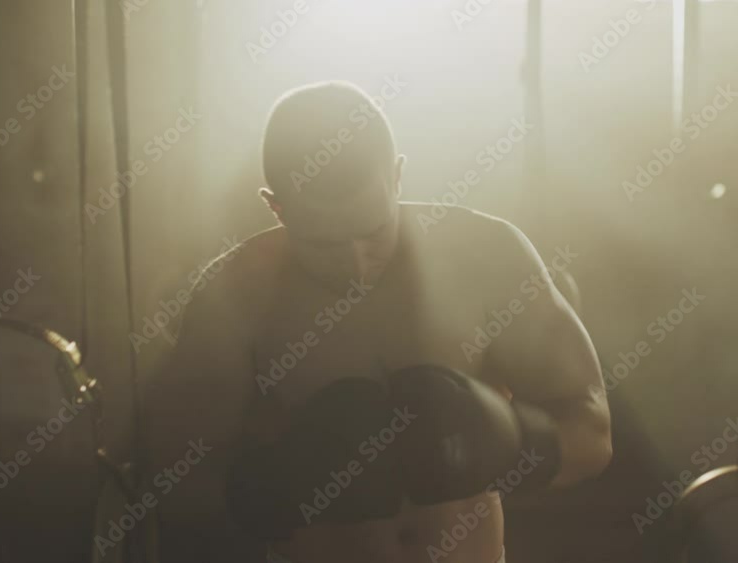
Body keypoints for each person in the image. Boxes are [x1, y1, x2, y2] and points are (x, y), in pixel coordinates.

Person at [146, 81, 611, 563]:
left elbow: (595, 434)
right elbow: (176, 480)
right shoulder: (235, 293)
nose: (355, 263)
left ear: (398, 176)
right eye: (323, 242)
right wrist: (284, 482)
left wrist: (512, 443)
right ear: (276, 206)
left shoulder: (488, 257)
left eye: (372, 231)